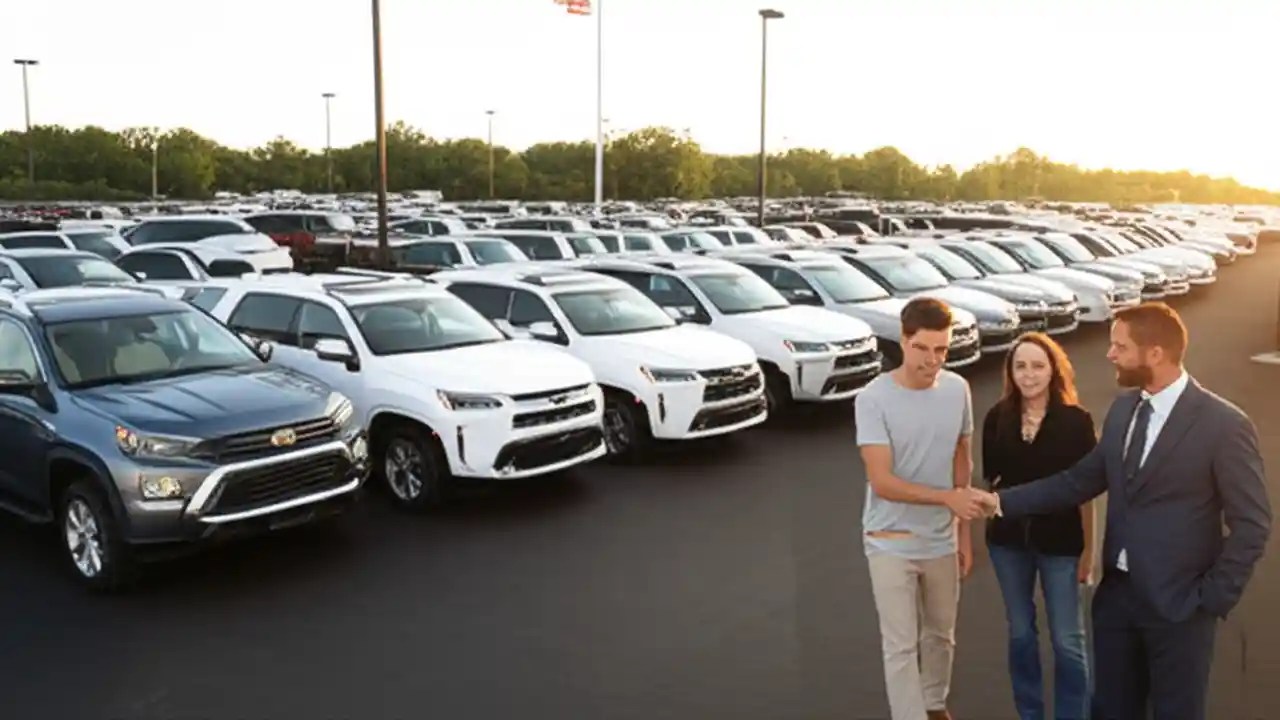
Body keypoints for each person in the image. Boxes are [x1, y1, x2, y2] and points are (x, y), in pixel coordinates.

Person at [971, 302, 1272, 720]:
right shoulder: (1123, 411)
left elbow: (1252, 524)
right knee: (1111, 710)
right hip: (1117, 602)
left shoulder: (1224, 425)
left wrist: (1211, 597)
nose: (1109, 354)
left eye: (1120, 346)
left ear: (1155, 354)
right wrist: (1002, 501)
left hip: (1180, 607)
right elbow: (1078, 481)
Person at [855, 297, 985, 720]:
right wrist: (946, 499)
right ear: (904, 341)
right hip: (889, 542)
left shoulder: (956, 389)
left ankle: (933, 704)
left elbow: (961, 455)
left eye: (942, 350)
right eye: (923, 348)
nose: (933, 360)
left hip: (940, 540)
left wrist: (962, 529)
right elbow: (882, 481)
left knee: (941, 636)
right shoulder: (873, 398)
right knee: (900, 645)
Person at [982, 333, 1096, 720]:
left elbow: (1085, 490)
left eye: (1037, 365)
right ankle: (1029, 713)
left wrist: (1088, 552)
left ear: (1053, 370)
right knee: (1020, 633)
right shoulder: (997, 418)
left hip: (1061, 544)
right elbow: (993, 484)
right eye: (1020, 366)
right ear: (1011, 372)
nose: (1028, 375)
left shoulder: (1076, 421)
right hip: (1008, 544)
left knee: (1068, 640)